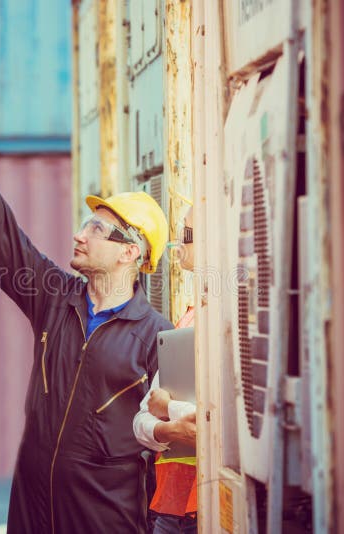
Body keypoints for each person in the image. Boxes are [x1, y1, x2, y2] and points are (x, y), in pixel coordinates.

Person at [0, 82, 173, 534]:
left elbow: (172, 451)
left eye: (98, 229)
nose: (81, 234)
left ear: (130, 253)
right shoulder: (55, 298)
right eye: (86, 224)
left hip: (103, 523)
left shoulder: (154, 338)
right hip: (31, 513)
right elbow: (4, 240)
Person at [133, 206, 198, 533]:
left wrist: (168, 408)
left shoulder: (237, 323)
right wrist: (169, 429)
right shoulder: (189, 319)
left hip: (203, 504)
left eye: (186, 234)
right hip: (172, 503)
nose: (178, 244)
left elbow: (212, 423)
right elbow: (142, 419)